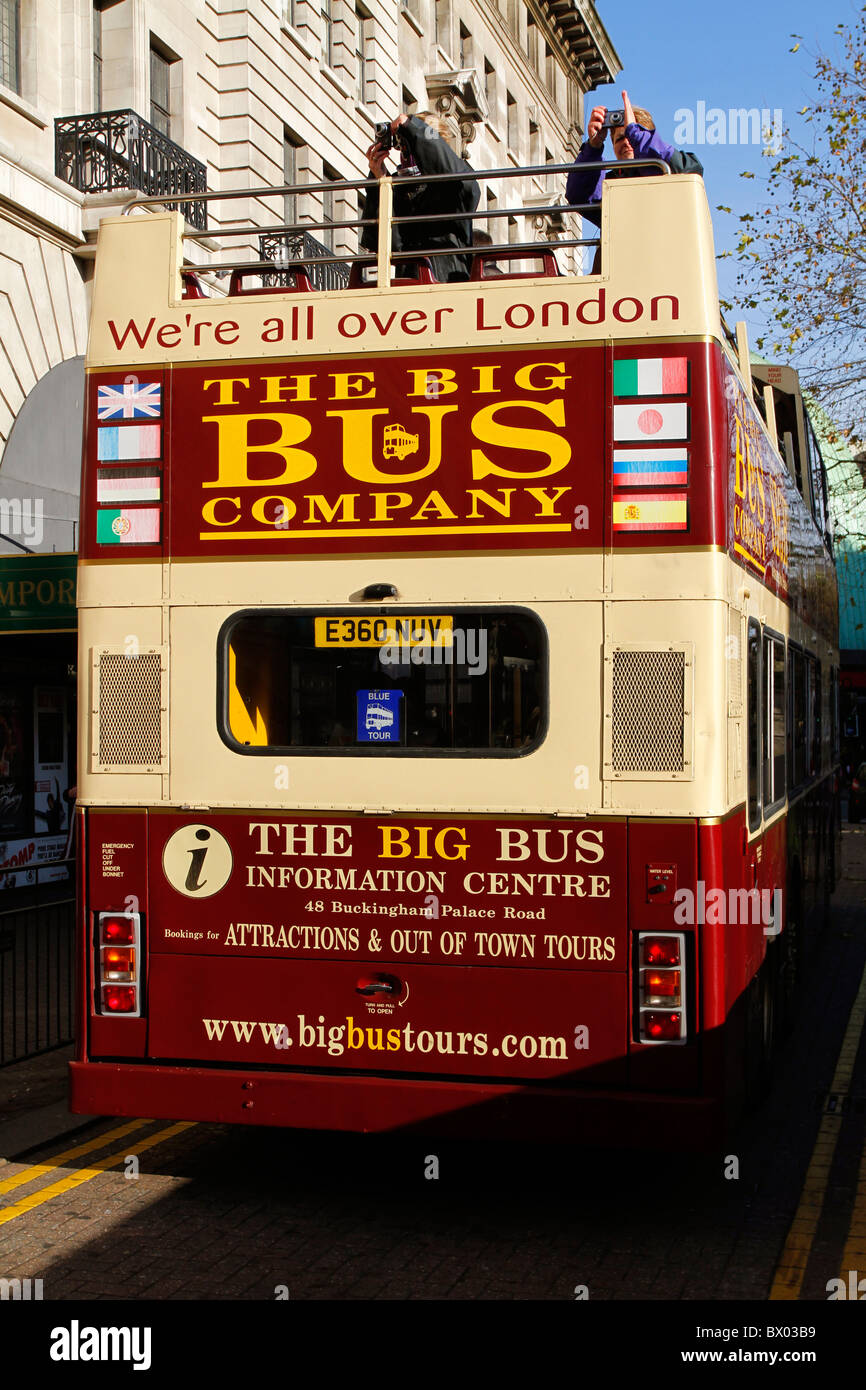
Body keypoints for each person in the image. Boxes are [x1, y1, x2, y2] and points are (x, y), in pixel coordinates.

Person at [361, 114, 480, 283]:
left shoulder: (457, 182)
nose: (404, 153)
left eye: (409, 144)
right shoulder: (400, 187)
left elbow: (454, 177)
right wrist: (380, 180)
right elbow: (382, 242)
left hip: (447, 284)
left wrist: (411, 126)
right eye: (401, 145)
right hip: (410, 285)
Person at [566, 89, 703, 228]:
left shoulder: (667, 170)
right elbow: (578, 196)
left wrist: (636, 134)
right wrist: (593, 147)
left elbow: (691, 171)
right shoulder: (609, 185)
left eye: (631, 136)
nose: (626, 142)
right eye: (619, 139)